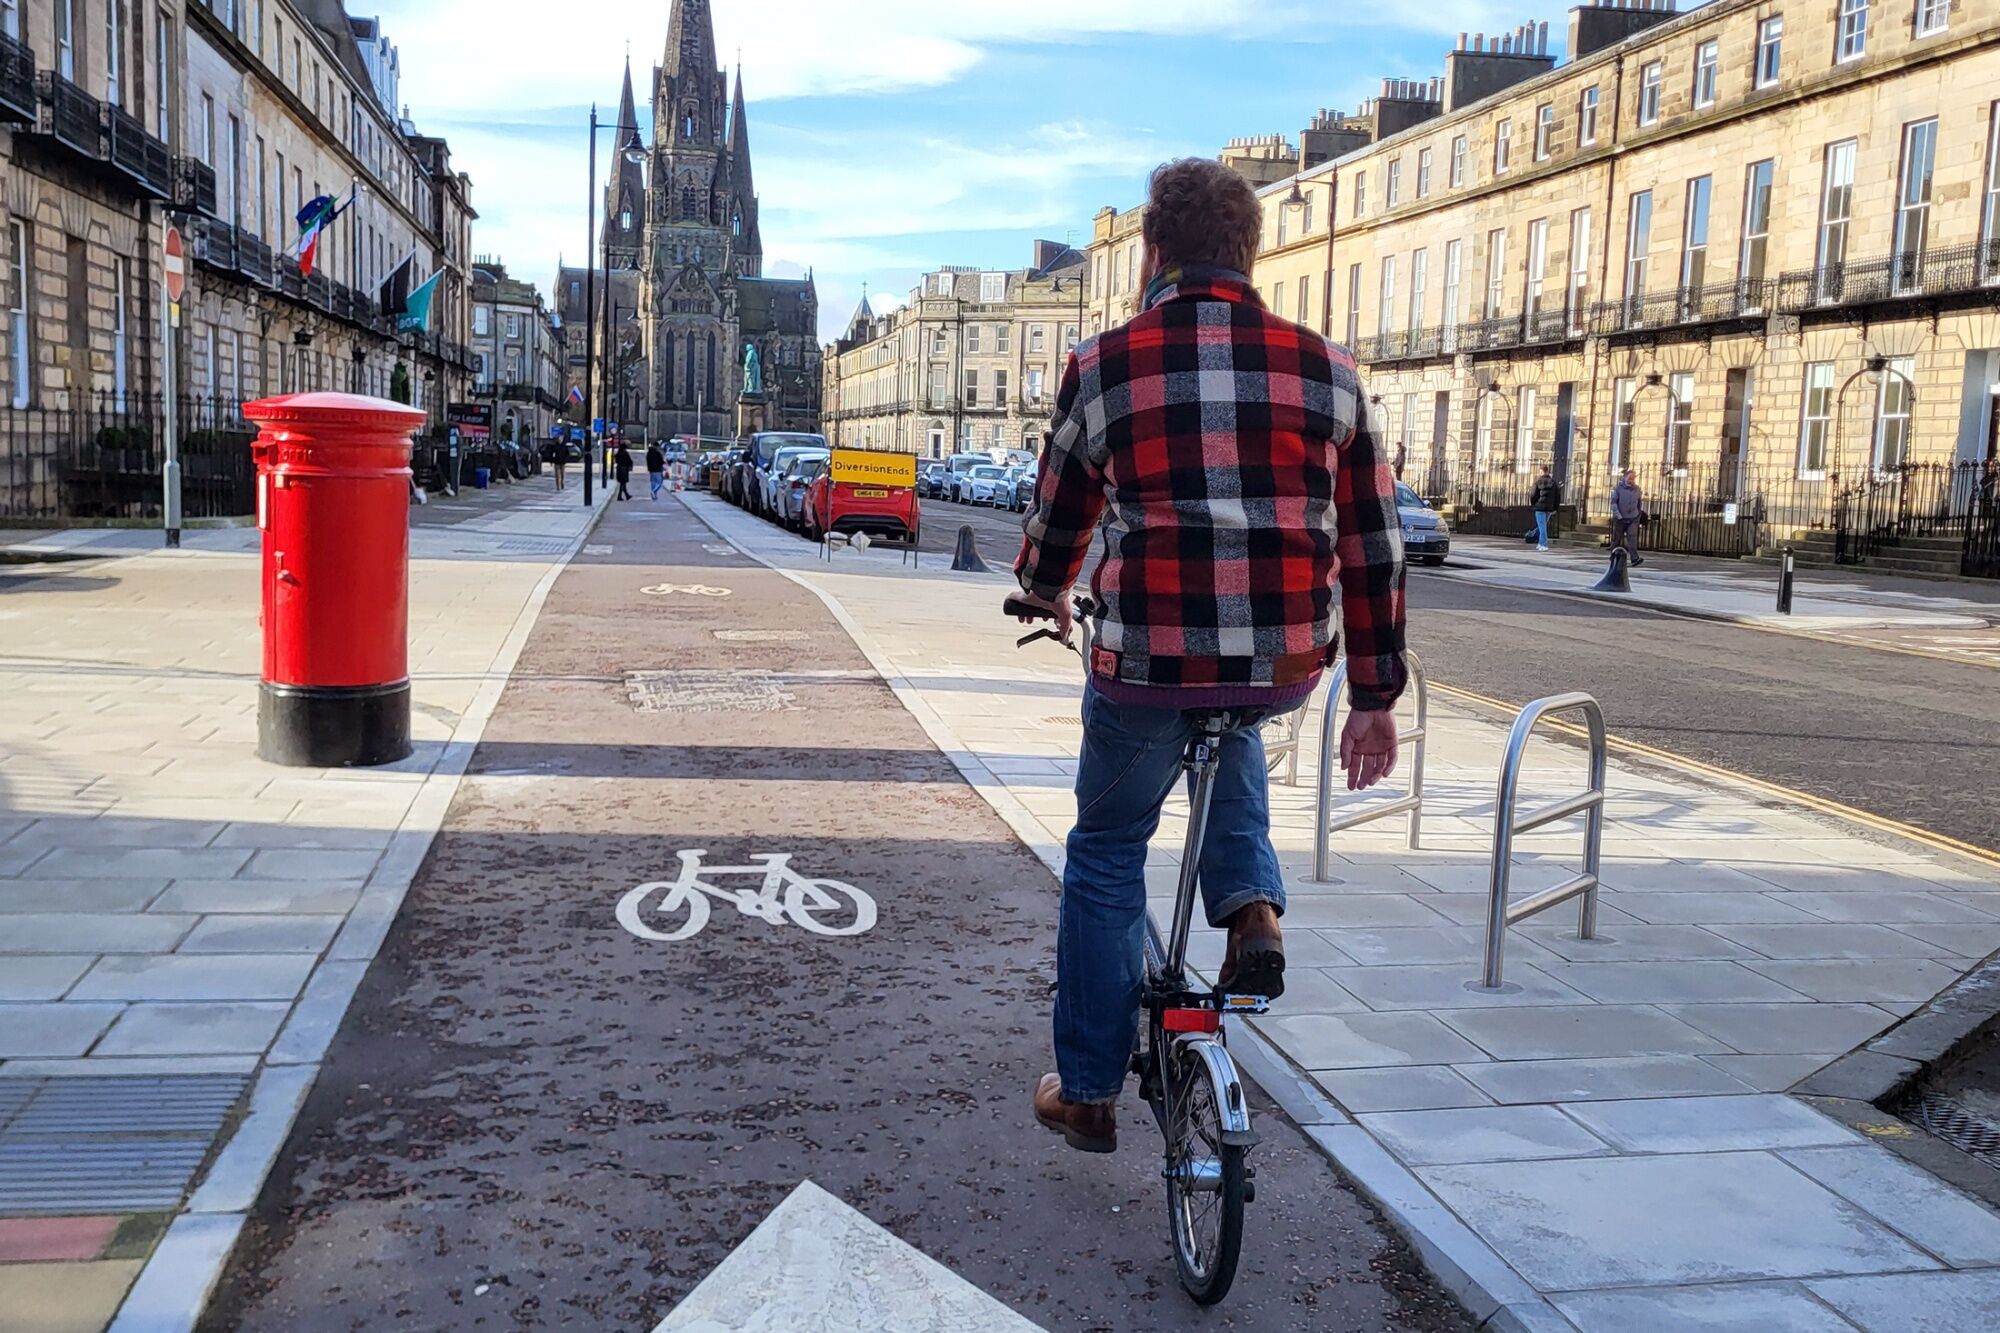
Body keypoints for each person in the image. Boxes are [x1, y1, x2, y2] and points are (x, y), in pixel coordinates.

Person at [1011, 158, 1408, 1153]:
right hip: (1281, 658)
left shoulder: (1105, 363)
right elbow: (1373, 541)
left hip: (1145, 658)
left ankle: (1091, 1089)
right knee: (1232, 716)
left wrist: (1043, 589)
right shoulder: (1330, 370)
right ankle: (1253, 912)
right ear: (1249, 251)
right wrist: (1372, 694)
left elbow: (1059, 512)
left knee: (1104, 851)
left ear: (1152, 251)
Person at [1610, 467, 1644, 566]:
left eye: (1633, 479)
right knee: (1617, 539)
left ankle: (1634, 558)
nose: (1631, 481)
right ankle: (1613, 556)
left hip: (1633, 518)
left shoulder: (1637, 489)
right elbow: (1614, 503)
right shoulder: (1618, 489)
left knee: (1632, 538)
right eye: (1629, 478)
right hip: (1620, 518)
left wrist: (1638, 515)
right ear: (1625, 478)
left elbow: (1639, 503)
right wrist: (1617, 514)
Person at [1530, 464, 1561, 551]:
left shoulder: (1537, 482)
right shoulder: (1554, 483)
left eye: (1540, 472)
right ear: (1547, 471)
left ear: (1541, 472)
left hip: (1539, 507)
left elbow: (1533, 495)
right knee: (1542, 525)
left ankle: (1544, 544)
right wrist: (1555, 508)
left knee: (1542, 526)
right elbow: (1557, 496)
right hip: (1549, 508)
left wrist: (1534, 505)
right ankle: (1540, 542)